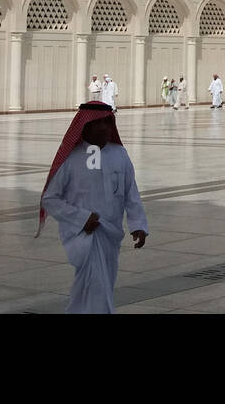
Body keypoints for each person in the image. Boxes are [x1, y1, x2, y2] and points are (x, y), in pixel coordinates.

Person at [38, 100, 148, 314]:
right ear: (85, 126)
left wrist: (138, 224)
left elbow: (130, 192)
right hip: (84, 236)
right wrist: (81, 218)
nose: (104, 128)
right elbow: (50, 199)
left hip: (111, 235)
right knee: (97, 288)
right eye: (98, 123)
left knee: (97, 286)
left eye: (107, 122)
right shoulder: (71, 158)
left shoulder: (120, 155)